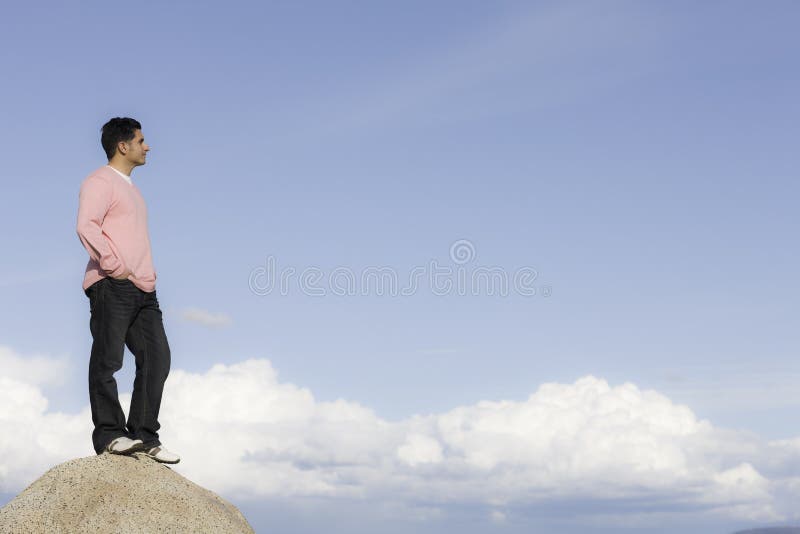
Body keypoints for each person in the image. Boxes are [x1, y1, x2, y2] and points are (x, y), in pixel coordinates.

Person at [76, 117, 179, 464]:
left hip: (143, 289)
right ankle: (109, 434)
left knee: (157, 359)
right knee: (108, 359)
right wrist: (115, 266)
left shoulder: (132, 189)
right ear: (123, 145)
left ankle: (144, 435)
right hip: (112, 283)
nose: (147, 146)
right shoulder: (100, 181)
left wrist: (144, 274)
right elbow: (86, 225)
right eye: (141, 140)